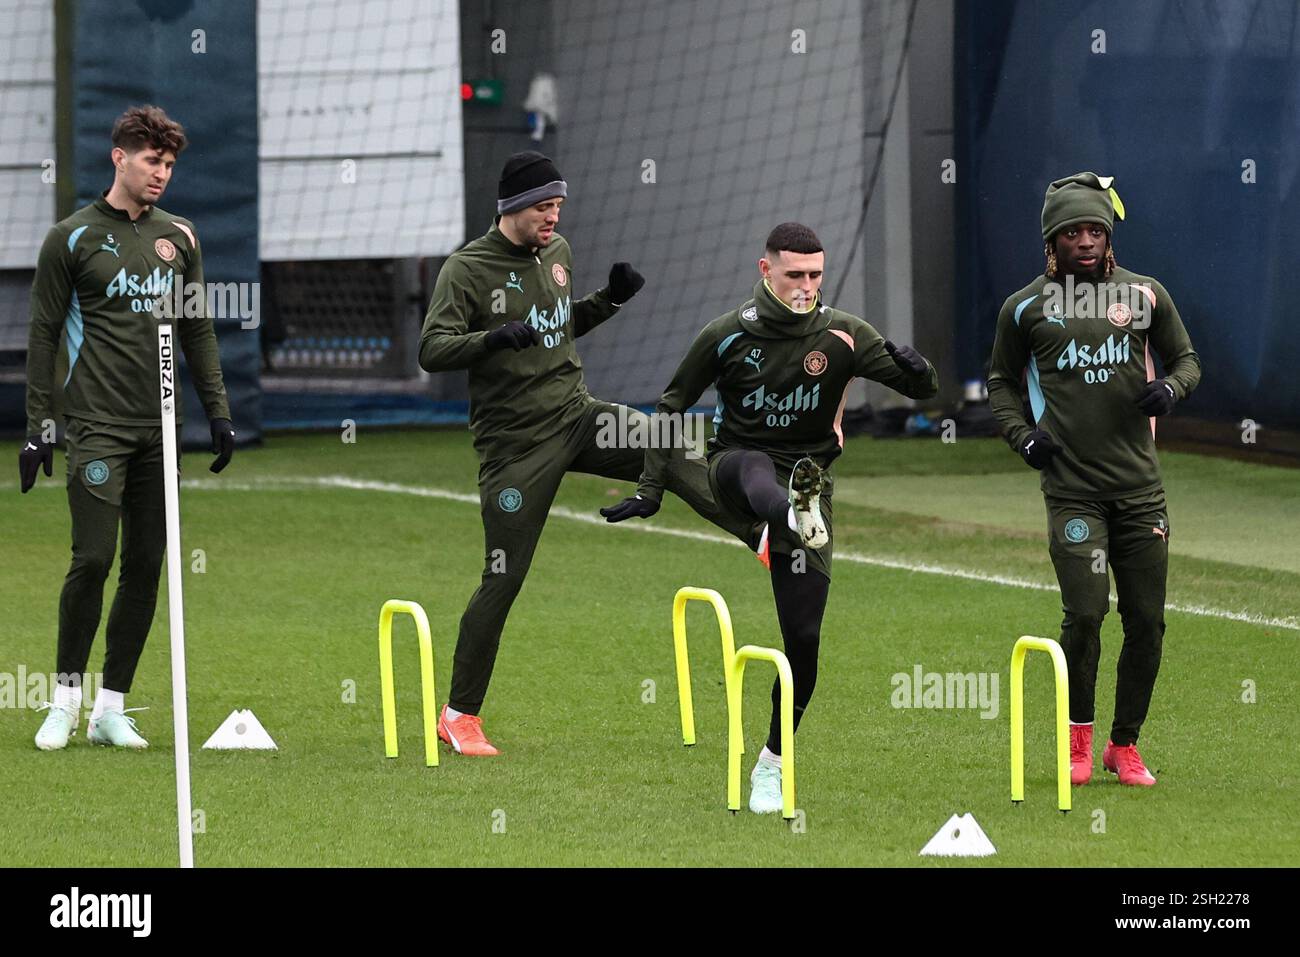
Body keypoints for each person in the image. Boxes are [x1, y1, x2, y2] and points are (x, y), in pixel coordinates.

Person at [419, 151, 760, 756]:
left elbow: (559, 323)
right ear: (513, 208)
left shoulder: (559, 253)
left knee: (667, 440)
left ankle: (761, 535)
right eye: (544, 206)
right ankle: (459, 715)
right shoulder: (465, 270)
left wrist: (611, 299)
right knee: (503, 577)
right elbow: (433, 349)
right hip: (516, 448)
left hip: (579, 415)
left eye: (558, 206)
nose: (554, 217)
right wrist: (490, 338)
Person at [604, 222, 939, 812]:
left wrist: (918, 370)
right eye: (795, 275)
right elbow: (671, 404)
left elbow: (920, 391)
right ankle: (790, 513)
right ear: (766, 271)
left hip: (810, 473)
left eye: (815, 275)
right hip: (736, 467)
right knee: (758, 472)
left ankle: (772, 763)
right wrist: (652, 488)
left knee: (803, 642)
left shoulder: (845, 333)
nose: (807, 286)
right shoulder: (727, 334)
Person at [22, 104, 235, 751]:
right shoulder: (72, 238)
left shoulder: (182, 238)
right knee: (93, 558)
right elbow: (43, 332)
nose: (161, 173)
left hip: (158, 431)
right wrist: (39, 425)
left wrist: (219, 411)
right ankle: (63, 702)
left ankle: (111, 707)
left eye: (169, 164)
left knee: (146, 564)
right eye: (151, 160)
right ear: (119, 157)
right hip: (95, 427)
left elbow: (196, 327)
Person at [986, 172, 1201, 787]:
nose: (1086, 241)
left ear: (1110, 238)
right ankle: (1078, 742)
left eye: (1096, 230)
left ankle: (1122, 745)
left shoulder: (1146, 295)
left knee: (1147, 622)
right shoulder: (1023, 308)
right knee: (1085, 614)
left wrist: (1171, 388)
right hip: (1072, 491)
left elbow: (1187, 360)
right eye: (1072, 232)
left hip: (1140, 493)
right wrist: (1022, 435)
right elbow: (1000, 381)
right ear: (1051, 243)